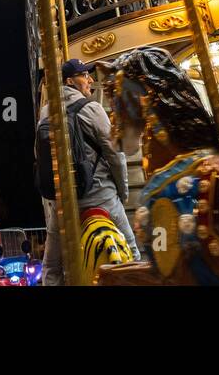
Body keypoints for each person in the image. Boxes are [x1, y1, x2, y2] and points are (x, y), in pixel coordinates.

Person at [37, 58, 138, 285]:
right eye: (84, 75)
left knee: (52, 266)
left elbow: (40, 156)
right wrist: (122, 193)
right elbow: (115, 153)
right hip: (100, 196)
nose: (90, 80)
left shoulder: (45, 112)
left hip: (63, 205)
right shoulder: (91, 108)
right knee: (132, 250)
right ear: (70, 81)